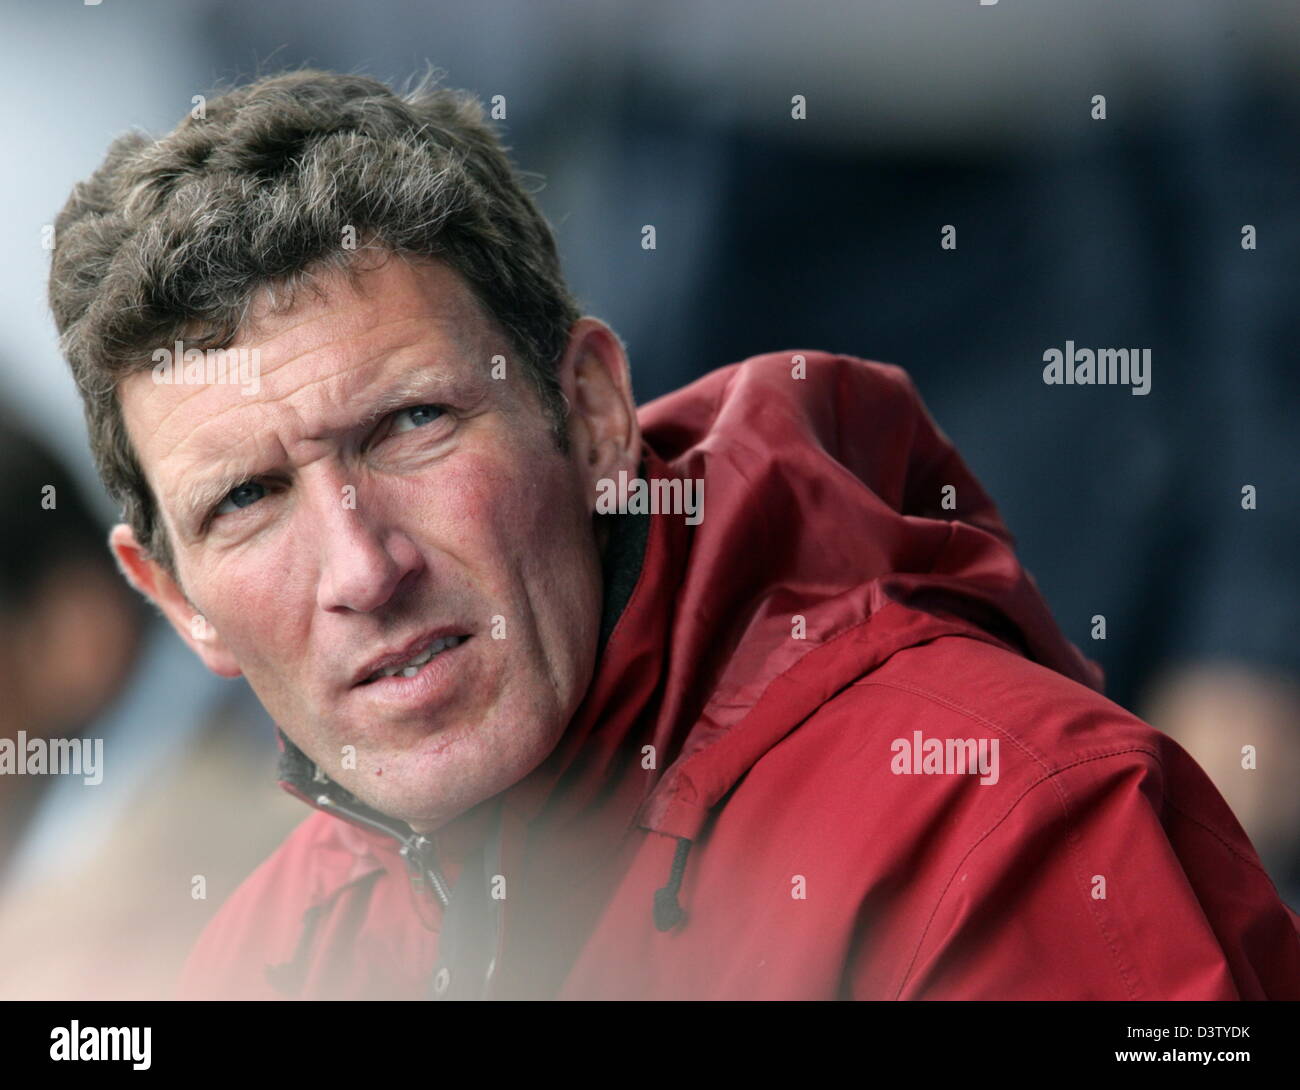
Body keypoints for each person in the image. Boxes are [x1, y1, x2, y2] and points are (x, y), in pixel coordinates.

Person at [46, 69, 1299, 1000]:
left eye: (414, 424)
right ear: (175, 599)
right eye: (248, 501)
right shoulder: (255, 951)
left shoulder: (1014, 831)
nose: (365, 569)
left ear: (590, 413)